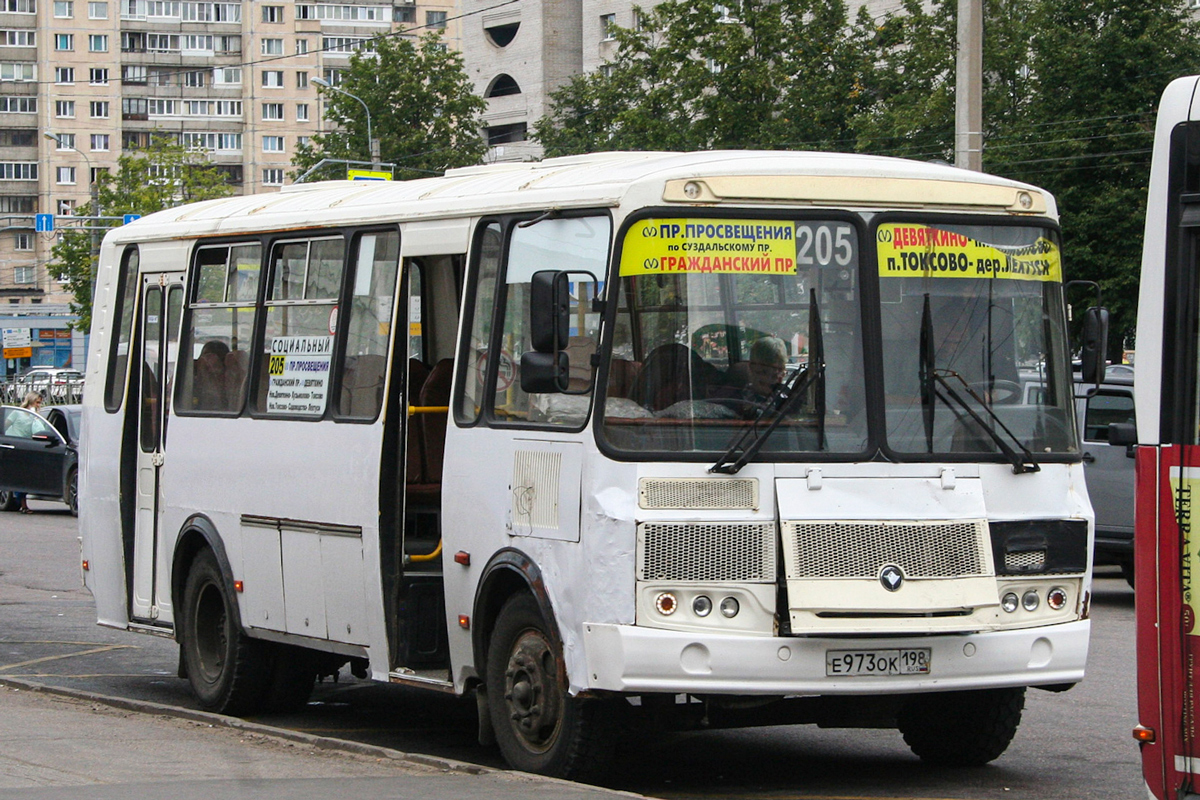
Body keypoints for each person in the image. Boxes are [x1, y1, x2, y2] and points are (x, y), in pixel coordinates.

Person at [11, 391, 44, 513]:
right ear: (31, 401)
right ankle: (22, 504)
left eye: (40, 403)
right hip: (15, 445)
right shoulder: (18, 413)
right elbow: (6, 424)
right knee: (18, 475)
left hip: (27, 446)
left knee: (23, 476)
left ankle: (21, 501)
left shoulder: (35, 415)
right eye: (37, 402)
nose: (39, 405)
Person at [744, 336, 788, 401]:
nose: (778, 377)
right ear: (751, 368)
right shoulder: (741, 400)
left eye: (780, 370)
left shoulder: (787, 396)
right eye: (765, 371)